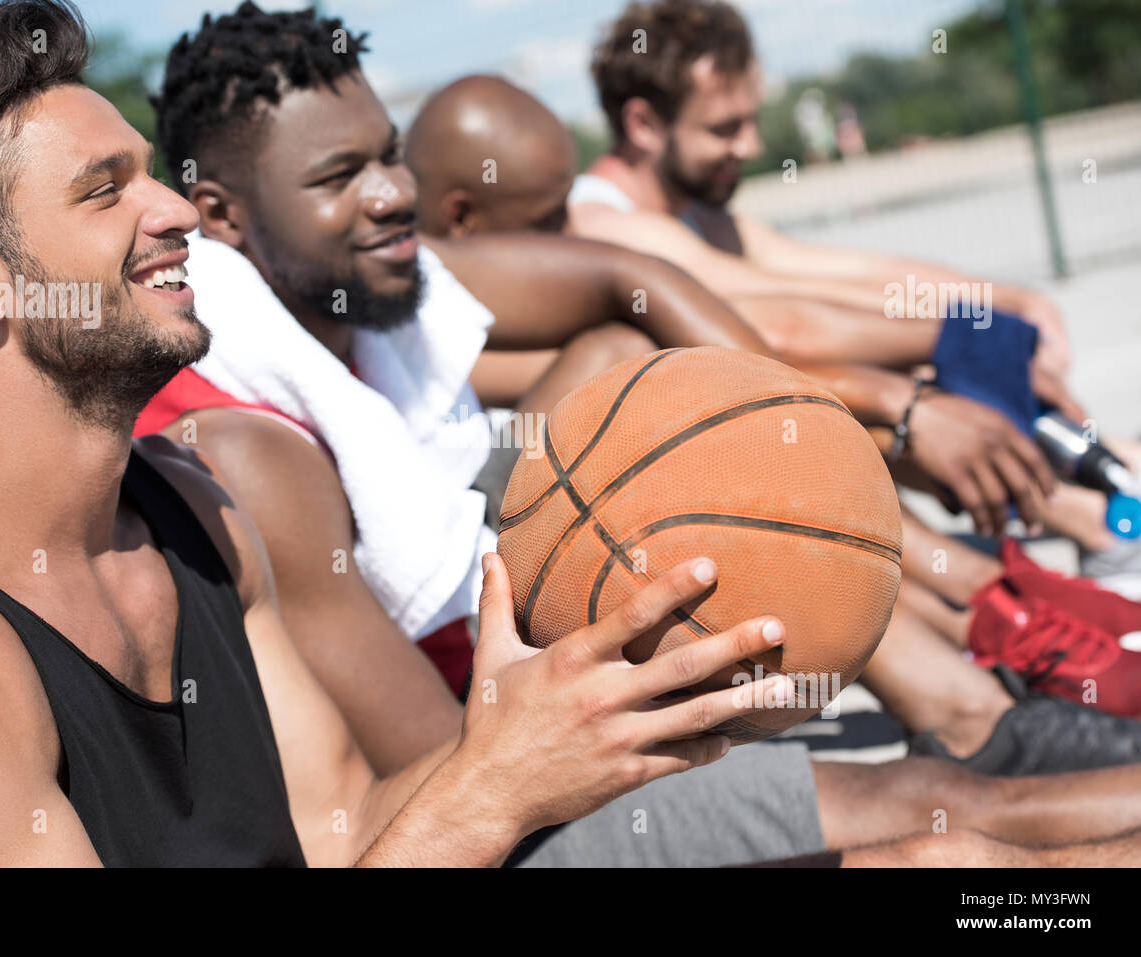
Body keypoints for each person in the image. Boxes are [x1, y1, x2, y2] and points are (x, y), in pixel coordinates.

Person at [136, 1, 1141, 867]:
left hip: (507, 689)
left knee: (647, 388)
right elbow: (463, 765)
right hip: (477, 790)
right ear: (217, 212)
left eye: (389, 154)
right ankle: (978, 699)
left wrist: (825, 433)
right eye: (339, 175)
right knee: (938, 813)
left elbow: (637, 286)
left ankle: (972, 686)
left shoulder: (361, 297)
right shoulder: (241, 448)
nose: (391, 193)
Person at [0, 0, 805, 867]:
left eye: (153, 176)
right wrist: (496, 784)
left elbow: (343, 825)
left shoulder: (198, 512)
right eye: (105, 190)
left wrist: (550, 719)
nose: (177, 211)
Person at [405, 73, 1141, 746]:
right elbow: (729, 340)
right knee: (718, 464)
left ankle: (996, 610)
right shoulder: (421, 298)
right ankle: (982, 652)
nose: (567, 230)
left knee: (748, 442)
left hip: (508, 537)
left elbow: (810, 294)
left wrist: (964, 333)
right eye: (545, 218)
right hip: (489, 592)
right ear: (462, 217)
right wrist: (916, 390)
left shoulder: (462, 286)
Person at [573, 0, 1136, 569]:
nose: (750, 146)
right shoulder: (605, 227)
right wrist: (968, 338)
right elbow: (779, 324)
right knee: (870, 385)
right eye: (726, 128)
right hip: (653, 504)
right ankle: (1095, 521)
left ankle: (1107, 493)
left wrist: (1002, 304)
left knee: (892, 362)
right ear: (643, 124)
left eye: (750, 120)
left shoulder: (696, 214)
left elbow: (847, 273)